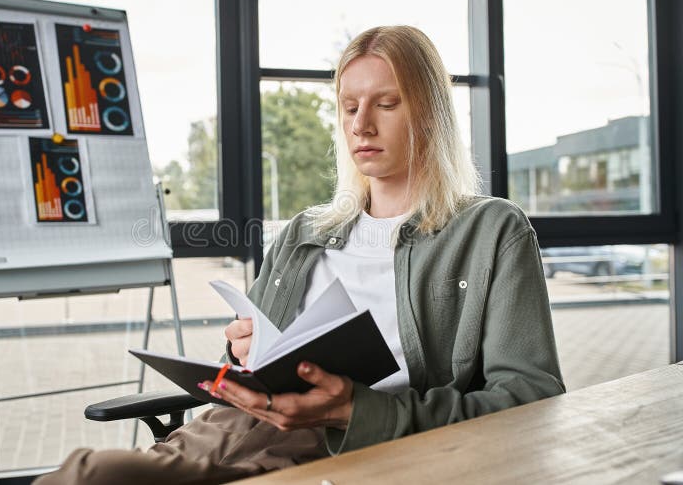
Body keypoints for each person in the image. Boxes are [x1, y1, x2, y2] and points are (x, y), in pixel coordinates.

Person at [35, 25, 564, 485]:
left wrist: (358, 410)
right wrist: (244, 357)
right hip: (234, 430)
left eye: (386, 103)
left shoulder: (489, 231)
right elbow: (244, 375)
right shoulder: (306, 232)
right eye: (350, 107)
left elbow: (531, 398)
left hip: (349, 448)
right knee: (87, 476)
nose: (361, 125)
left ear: (430, 114)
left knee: (93, 476)